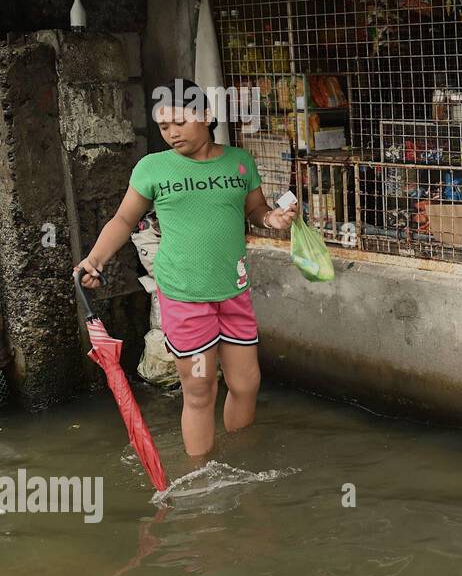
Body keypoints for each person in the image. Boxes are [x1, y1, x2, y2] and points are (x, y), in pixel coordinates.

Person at [74, 78, 297, 458]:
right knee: (200, 389)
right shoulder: (153, 168)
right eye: (163, 126)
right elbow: (123, 220)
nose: (172, 133)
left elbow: (255, 210)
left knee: (246, 384)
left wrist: (272, 220)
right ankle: (201, 476)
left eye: (180, 121)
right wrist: (93, 260)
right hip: (184, 296)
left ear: (207, 115)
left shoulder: (240, 162)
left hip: (233, 292)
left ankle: (238, 462)